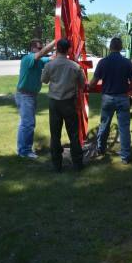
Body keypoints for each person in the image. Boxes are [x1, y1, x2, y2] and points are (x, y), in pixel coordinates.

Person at [88, 37, 132, 164]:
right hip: (122, 97)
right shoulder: (127, 62)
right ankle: (125, 156)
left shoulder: (103, 62)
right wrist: (131, 90)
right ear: (121, 48)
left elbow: (93, 82)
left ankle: (101, 148)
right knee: (124, 128)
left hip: (107, 98)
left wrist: (87, 86)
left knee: (104, 125)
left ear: (110, 47)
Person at [41, 38, 86, 172]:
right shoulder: (75, 66)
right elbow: (82, 85)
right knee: (73, 134)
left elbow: (44, 80)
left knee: (55, 135)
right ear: (69, 50)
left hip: (54, 103)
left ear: (57, 49)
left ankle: (57, 165)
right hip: (69, 103)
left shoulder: (50, 65)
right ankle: (78, 164)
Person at [16, 38, 55, 158]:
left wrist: (61, 48)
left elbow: (52, 58)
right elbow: (43, 53)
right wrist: (55, 41)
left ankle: (23, 149)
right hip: (25, 95)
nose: (40, 50)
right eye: (38, 48)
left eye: (40, 47)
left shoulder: (39, 60)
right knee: (28, 123)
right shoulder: (28, 58)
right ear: (32, 48)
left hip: (30, 95)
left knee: (26, 123)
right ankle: (24, 151)